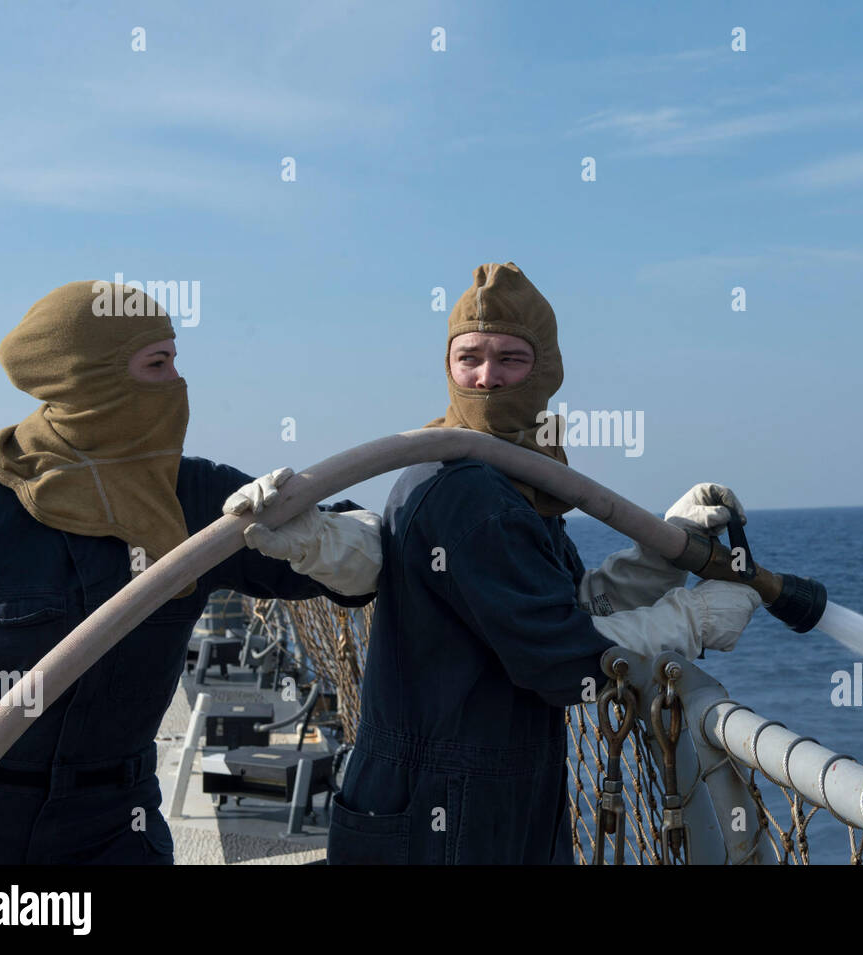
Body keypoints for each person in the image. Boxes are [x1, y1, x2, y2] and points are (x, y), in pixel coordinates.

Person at [298, 261, 762, 865]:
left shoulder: (516, 480)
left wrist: (661, 554)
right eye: (470, 358)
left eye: (510, 359)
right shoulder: (470, 494)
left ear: (546, 370)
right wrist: (692, 619)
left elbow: (558, 605)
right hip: (446, 809)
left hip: (477, 795)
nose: (487, 378)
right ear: (447, 366)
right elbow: (561, 659)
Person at [0, 280, 382, 864]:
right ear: (91, 378)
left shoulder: (199, 497)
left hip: (114, 823)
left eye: (176, 361)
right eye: (158, 363)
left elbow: (356, 572)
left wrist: (323, 539)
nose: (177, 383)